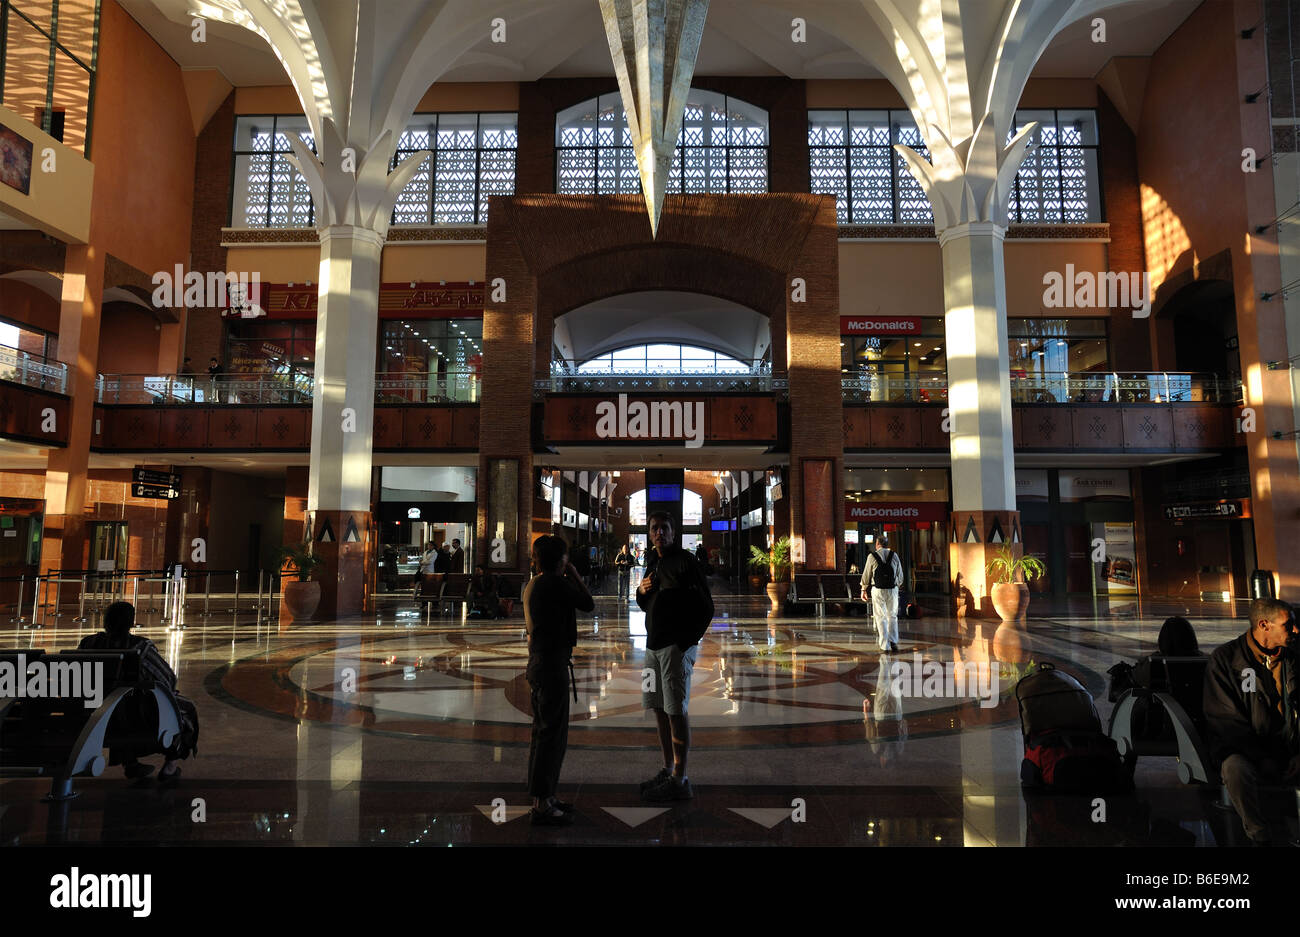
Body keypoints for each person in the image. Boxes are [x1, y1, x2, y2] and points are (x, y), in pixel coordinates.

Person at [1203, 597, 1298, 845]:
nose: (1296, 630)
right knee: (1235, 770)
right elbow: (1226, 721)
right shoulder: (1225, 660)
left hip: (1290, 747)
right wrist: (1262, 757)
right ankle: (1259, 835)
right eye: (1288, 625)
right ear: (1264, 625)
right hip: (1246, 751)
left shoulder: (1294, 657)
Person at [637, 511, 714, 803]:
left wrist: (685, 643)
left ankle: (680, 779)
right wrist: (640, 592)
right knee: (657, 706)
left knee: (675, 711)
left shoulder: (685, 561)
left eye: (664, 528)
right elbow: (648, 603)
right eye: (654, 528)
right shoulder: (652, 563)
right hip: (652, 647)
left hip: (673, 648)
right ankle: (667, 768)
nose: (659, 533)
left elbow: (706, 607)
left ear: (673, 532)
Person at [77, 601, 199, 781]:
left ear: (105, 621)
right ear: (131, 623)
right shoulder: (140, 647)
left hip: (92, 717)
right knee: (186, 708)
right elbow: (167, 679)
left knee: (115, 703)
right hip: (134, 718)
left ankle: (130, 761)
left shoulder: (88, 644)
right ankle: (171, 765)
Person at [523, 534, 593, 826]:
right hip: (550, 666)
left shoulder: (534, 584)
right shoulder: (554, 584)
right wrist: (575, 575)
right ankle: (542, 803)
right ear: (561, 559)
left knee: (543, 733)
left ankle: (545, 795)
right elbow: (588, 604)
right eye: (566, 557)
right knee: (551, 735)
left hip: (540, 663)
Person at [860, 535, 903, 652]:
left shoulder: (872, 556)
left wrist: (863, 589)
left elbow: (866, 574)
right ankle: (893, 641)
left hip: (877, 590)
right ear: (887, 544)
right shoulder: (894, 555)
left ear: (877, 544)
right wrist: (895, 586)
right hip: (892, 589)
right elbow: (900, 575)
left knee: (880, 616)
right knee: (892, 616)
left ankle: (885, 645)